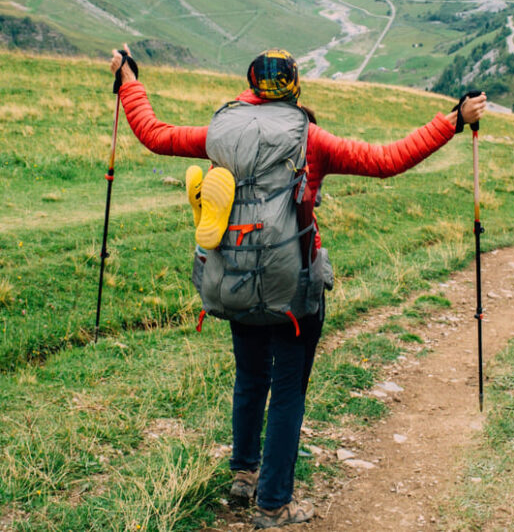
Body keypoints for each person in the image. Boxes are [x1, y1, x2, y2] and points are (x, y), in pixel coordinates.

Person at [109, 45, 486, 529]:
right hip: (295, 287)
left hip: (236, 277)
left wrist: (130, 82)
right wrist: (452, 121)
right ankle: (274, 503)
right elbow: (387, 160)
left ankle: (244, 475)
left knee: (250, 378)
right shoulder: (310, 139)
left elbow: (154, 134)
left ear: (249, 85)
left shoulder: (221, 134)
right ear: (294, 87)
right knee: (287, 391)